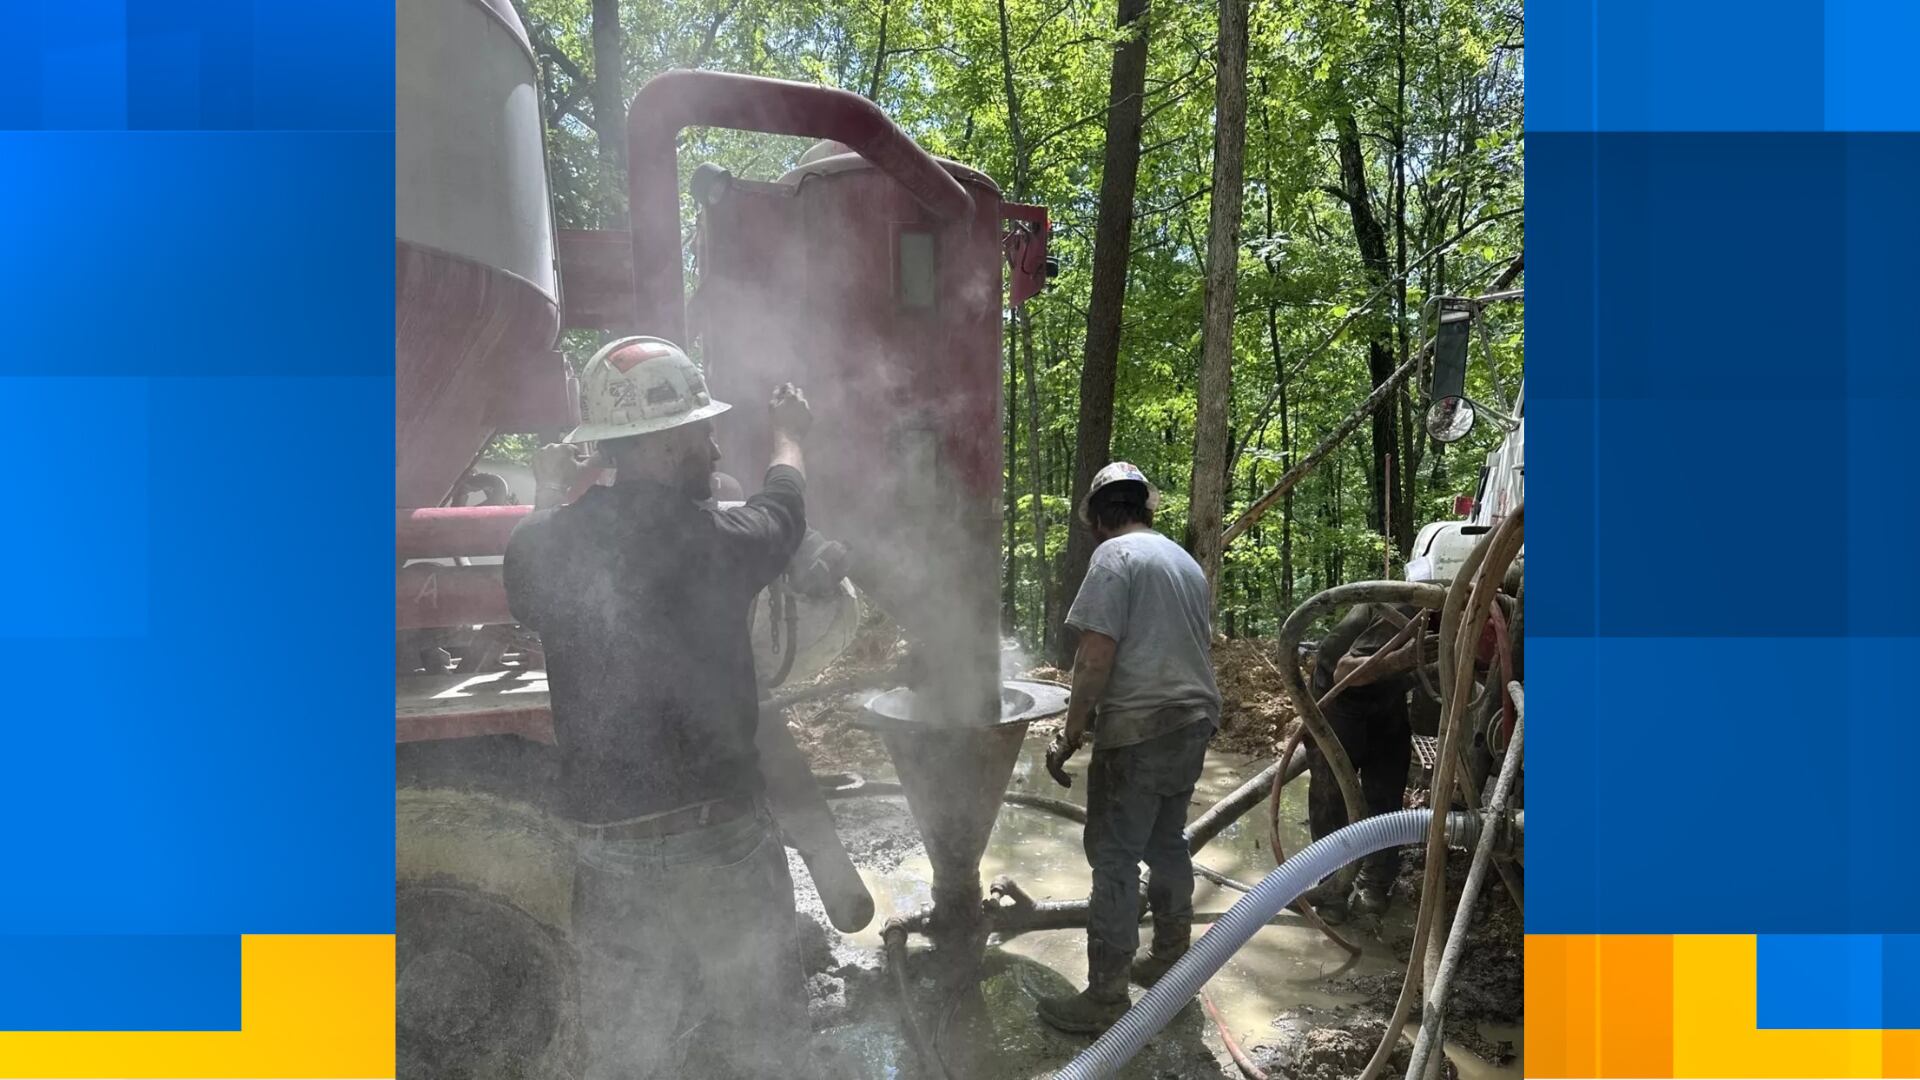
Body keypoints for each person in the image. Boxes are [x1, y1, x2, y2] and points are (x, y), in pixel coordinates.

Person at [503, 335, 815, 1079]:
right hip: (721, 841)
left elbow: (532, 560)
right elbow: (785, 505)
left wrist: (550, 489)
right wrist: (790, 435)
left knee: (627, 1055)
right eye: (703, 432)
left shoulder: (540, 547)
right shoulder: (719, 541)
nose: (715, 449)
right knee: (767, 1043)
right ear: (667, 441)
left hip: (609, 848)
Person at [1036, 462, 1223, 1034]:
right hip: (1194, 720)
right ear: (1145, 508)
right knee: (1167, 841)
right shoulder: (1184, 562)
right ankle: (1170, 959)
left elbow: (1095, 658)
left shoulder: (1113, 557)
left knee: (1114, 858)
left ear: (1097, 519)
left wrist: (1070, 732)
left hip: (1140, 726)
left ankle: (1106, 997)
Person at [1301, 602, 1432, 920]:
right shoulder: (1405, 609)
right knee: (1331, 796)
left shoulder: (1471, 615)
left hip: (1386, 699)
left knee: (1386, 795)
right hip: (1339, 698)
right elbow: (1345, 671)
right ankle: (1332, 890)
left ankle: (1374, 884)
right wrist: (1404, 658)